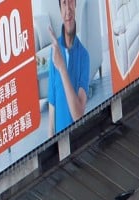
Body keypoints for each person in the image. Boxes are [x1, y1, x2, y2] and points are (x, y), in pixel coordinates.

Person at [47, 0, 89, 134]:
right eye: (64, 3)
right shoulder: (54, 51)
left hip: (78, 139)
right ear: (60, 10)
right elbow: (52, 106)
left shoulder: (84, 56)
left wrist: (62, 68)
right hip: (60, 142)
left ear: (75, 4)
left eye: (70, 2)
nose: (68, 9)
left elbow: (78, 115)